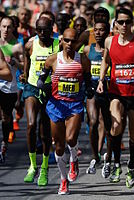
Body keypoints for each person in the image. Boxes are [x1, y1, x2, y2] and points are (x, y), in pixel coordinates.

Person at [97, 8, 134, 188]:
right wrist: (101, 80)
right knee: (116, 125)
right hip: (116, 92)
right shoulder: (109, 41)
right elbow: (105, 61)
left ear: (132, 23)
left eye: (128, 22)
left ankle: (131, 166)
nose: (124, 25)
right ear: (115, 24)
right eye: (121, 22)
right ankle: (116, 164)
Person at [37, 28, 91, 195]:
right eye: (66, 40)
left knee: (70, 138)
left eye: (73, 41)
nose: (69, 44)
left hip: (74, 105)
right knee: (59, 147)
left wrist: (91, 89)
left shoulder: (82, 59)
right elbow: (41, 79)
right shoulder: (53, 59)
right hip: (56, 106)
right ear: (61, 41)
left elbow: (89, 80)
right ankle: (63, 179)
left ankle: (74, 160)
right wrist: (43, 86)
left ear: (77, 43)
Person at [21, 17, 59, 186]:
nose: (42, 33)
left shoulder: (58, 45)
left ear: (52, 29)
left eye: (46, 30)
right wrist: (24, 73)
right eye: (39, 30)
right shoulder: (30, 45)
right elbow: (27, 60)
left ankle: (44, 167)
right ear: (36, 30)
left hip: (50, 89)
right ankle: (32, 165)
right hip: (32, 87)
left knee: (44, 133)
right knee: (30, 125)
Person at [83, 19, 111, 174]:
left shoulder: (111, 50)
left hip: (108, 91)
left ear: (107, 32)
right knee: (93, 122)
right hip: (92, 91)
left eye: (102, 30)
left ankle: (108, 156)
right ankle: (95, 156)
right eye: (96, 30)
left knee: (107, 125)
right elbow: (83, 69)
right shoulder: (88, 50)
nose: (98, 33)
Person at [0, 16, 24, 162]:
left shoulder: (17, 46)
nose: (6, 30)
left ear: (13, 28)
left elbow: (24, 67)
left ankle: (4, 144)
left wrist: (14, 61)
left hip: (9, 86)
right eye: (3, 26)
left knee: (6, 116)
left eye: (9, 27)